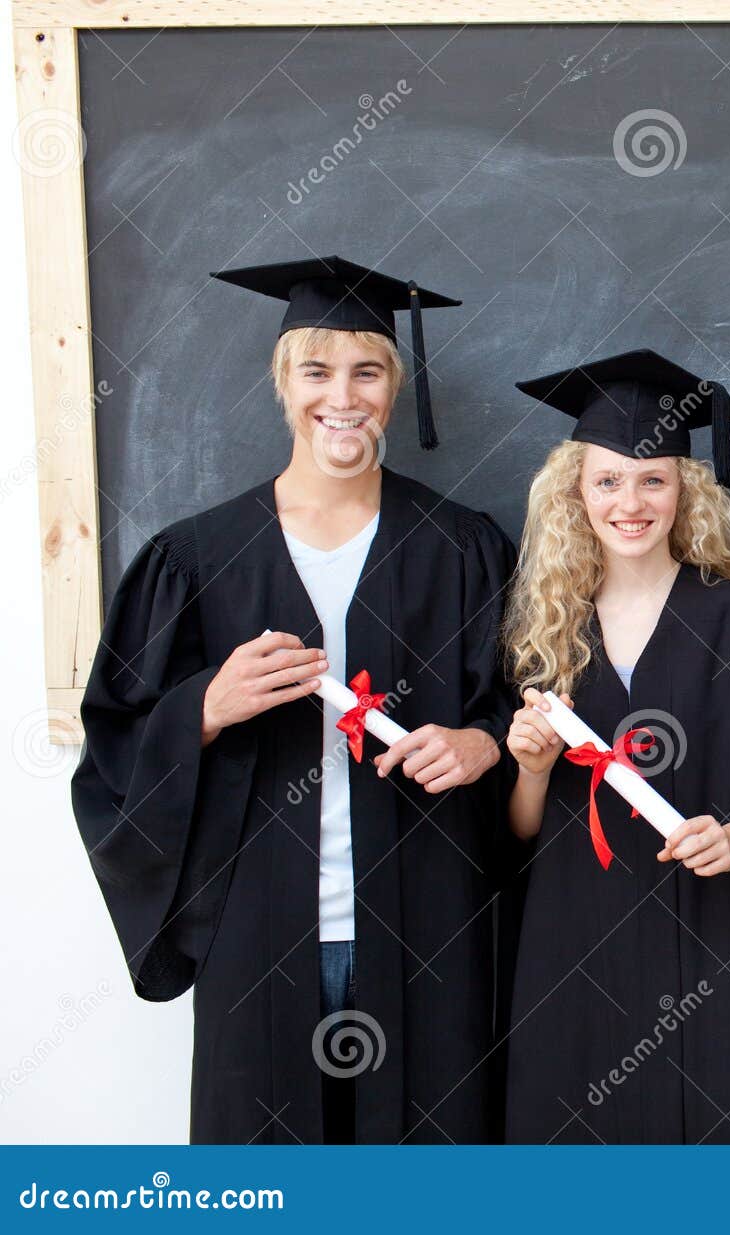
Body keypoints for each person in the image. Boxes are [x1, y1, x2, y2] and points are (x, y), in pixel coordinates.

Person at [71, 256, 519, 1143]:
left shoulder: (462, 548)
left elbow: (529, 703)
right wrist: (203, 706)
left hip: (430, 922)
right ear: (284, 383)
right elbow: (113, 748)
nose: (341, 396)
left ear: (395, 387)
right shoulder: (193, 561)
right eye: (316, 370)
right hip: (259, 927)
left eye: (367, 370)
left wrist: (486, 742)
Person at [500, 349, 730, 1143]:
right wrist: (530, 766)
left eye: (654, 478)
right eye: (609, 479)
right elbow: (520, 829)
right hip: (574, 939)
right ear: (574, 493)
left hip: (711, 927)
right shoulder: (545, 635)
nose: (631, 500)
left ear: (685, 489)